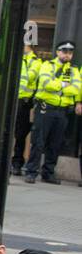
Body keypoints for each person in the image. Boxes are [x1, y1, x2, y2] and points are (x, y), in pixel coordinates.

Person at [23, 40, 80, 185]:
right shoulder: (47, 65)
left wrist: (59, 87)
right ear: (58, 52)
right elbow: (46, 84)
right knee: (38, 142)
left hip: (62, 111)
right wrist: (63, 85)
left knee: (55, 144)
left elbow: (76, 88)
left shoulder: (73, 70)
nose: (67, 55)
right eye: (65, 52)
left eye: (70, 53)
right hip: (45, 108)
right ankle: (31, 171)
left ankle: (48, 173)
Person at [11, 45, 41, 177]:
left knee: (20, 135)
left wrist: (22, 62)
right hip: (11, 99)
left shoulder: (35, 62)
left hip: (24, 102)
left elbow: (29, 77)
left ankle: (17, 163)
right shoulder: (17, 56)